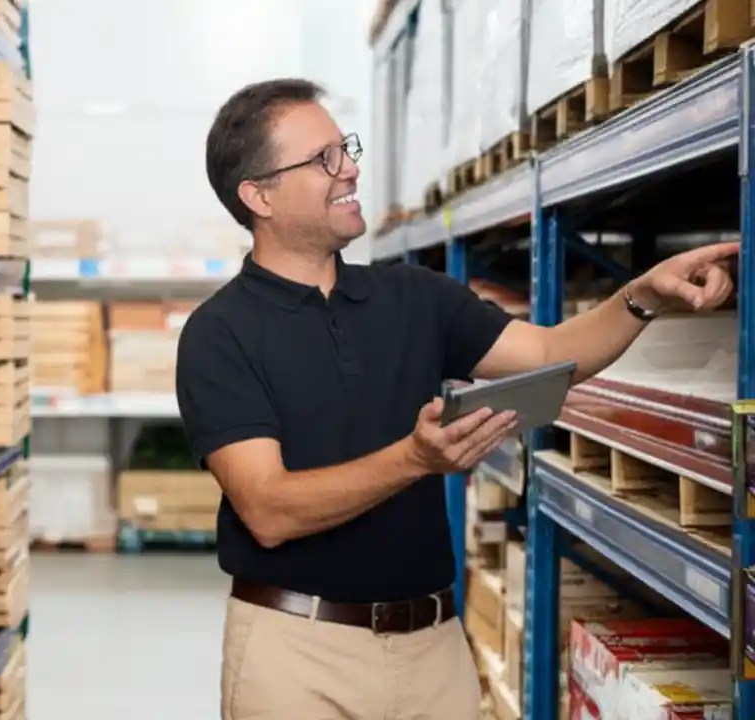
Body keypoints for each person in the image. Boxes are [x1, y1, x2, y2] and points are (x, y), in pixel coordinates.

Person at [176, 78, 738, 720]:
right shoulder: (218, 334)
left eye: (347, 148)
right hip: (297, 655)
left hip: (435, 651)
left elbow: (551, 354)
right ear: (259, 196)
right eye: (324, 158)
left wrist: (643, 297)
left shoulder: (415, 297)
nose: (351, 168)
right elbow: (269, 509)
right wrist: (415, 459)